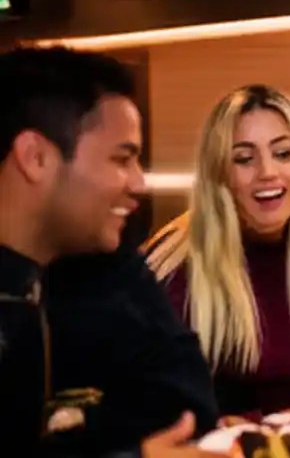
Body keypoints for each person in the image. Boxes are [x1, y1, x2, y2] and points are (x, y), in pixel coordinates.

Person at [0, 46, 217, 457]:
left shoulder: (103, 263)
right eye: (122, 159)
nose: (138, 184)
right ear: (35, 158)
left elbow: (189, 408)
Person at [145, 85, 290, 418]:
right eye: (243, 159)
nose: (267, 172)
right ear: (217, 174)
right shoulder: (174, 273)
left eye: (283, 153)